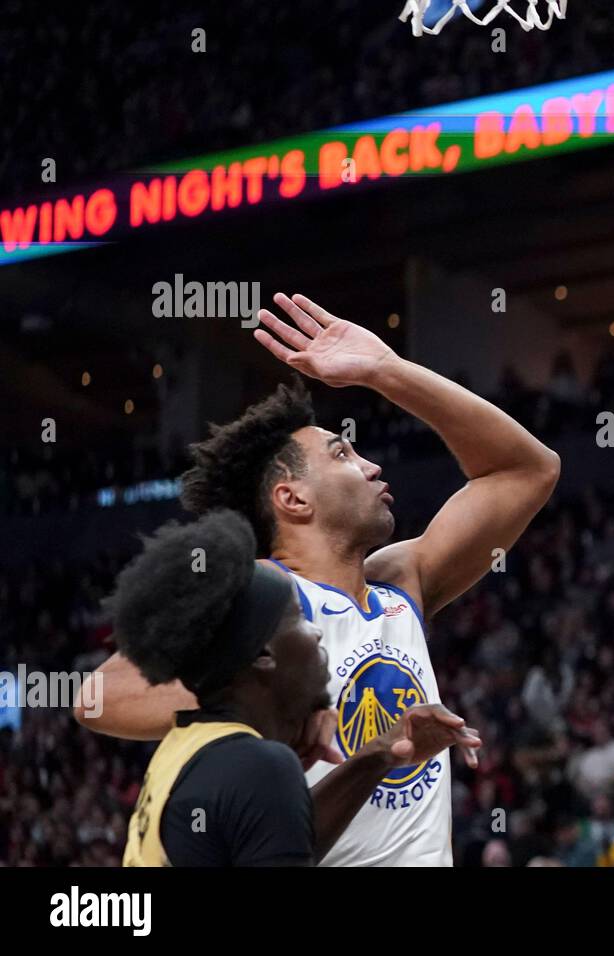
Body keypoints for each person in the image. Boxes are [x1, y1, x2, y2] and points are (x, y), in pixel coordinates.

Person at [77, 291, 559, 865]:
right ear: (293, 498)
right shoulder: (263, 600)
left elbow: (526, 470)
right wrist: (253, 687)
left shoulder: (401, 581)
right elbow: (98, 696)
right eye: (343, 455)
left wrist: (388, 372)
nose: (371, 466)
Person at [112, 510, 480, 866]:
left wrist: (380, 755)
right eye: (300, 619)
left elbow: (285, 846)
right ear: (263, 654)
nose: (317, 630)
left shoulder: (187, 744)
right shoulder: (261, 767)